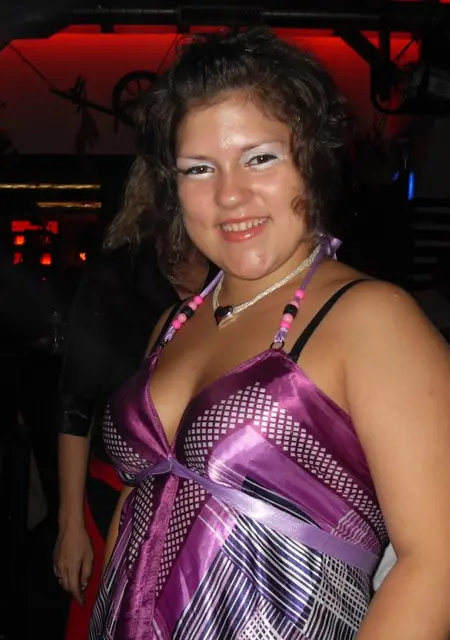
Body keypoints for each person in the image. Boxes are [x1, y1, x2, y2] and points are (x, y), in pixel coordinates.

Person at [90, 28, 450, 639]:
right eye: (198, 169)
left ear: (310, 160)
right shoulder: (173, 323)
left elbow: (435, 563)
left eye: (260, 158)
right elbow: (137, 503)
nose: (230, 194)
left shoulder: (371, 318)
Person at [53, 239, 213, 639]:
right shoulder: (119, 274)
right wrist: (70, 524)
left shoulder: (239, 275)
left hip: (209, 517)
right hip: (114, 491)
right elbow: (76, 402)